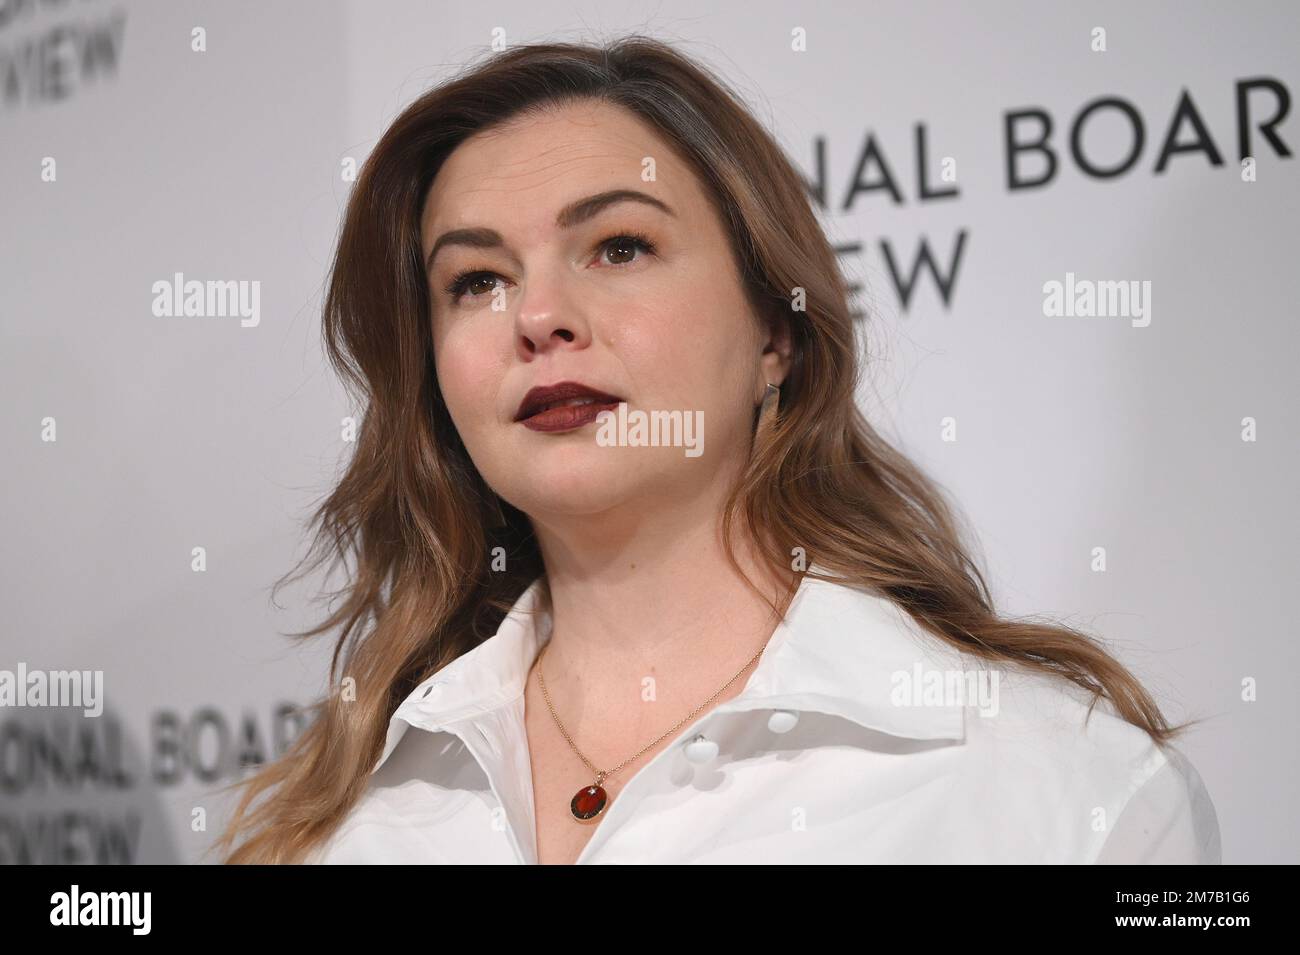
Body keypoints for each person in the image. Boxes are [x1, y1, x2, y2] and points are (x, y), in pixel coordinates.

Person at [212, 35, 1220, 864]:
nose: (540, 316)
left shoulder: (1066, 793)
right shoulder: (339, 823)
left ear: (775, 332)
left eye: (618, 247)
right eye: (476, 280)